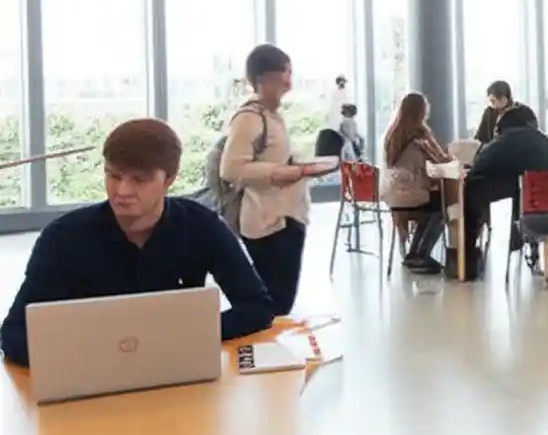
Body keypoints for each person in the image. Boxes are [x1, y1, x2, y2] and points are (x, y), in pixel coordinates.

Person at [1, 119, 274, 366]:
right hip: (89, 376)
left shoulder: (202, 226)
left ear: (169, 179)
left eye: (139, 180)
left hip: (173, 373)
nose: (122, 191)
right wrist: (85, 351)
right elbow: (14, 334)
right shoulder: (63, 238)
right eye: (113, 176)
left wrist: (188, 337)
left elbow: (256, 307)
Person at [221, 44, 315, 316]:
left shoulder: (273, 117)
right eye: (283, 71)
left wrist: (296, 167)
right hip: (268, 221)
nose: (289, 79)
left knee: (280, 300)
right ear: (262, 78)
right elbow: (231, 169)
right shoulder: (250, 117)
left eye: (290, 71)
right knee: (274, 301)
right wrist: (277, 173)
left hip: (288, 215)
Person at [466, 104, 548, 278]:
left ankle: (468, 257)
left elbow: (476, 170)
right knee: (521, 188)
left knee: (471, 191)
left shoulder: (502, 142)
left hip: (530, 218)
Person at [381, 92, 453, 274]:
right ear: (421, 111)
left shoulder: (392, 134)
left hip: (391, 195)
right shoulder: (420, 134)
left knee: (432, 208)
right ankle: (420, 254)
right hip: (411, 193)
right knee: (443, 207)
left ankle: (414, 254)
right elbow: (441, 161)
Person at [474, 80, 523, 145]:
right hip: (491, 151)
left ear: (504, 99)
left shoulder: (519, 113)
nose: (491, 104)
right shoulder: (489, 112)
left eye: (493, 101)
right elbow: (480, 137)